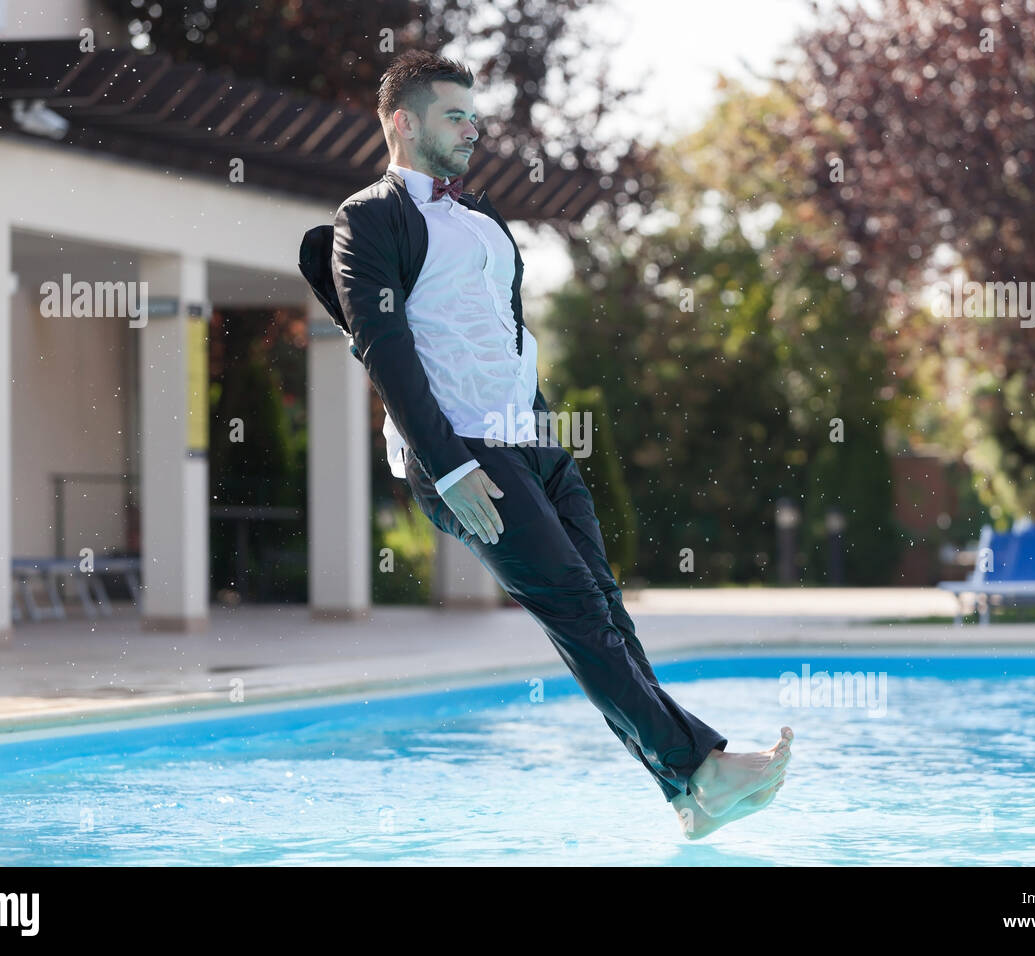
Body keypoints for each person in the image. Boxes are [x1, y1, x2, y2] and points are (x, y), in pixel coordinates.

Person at [329, 50, 792, 838]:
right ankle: (699, 765)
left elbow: (507, 340)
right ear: (404, 122)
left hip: (531, 443)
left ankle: (686, 798)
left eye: (475, 115)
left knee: (605, 609)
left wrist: (544, 433)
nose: (473, 129)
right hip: (462, 455)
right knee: (576, 609)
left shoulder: (482, 220)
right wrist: (450, 466)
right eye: (455, 116)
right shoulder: (369, 220)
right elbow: (384, 351)